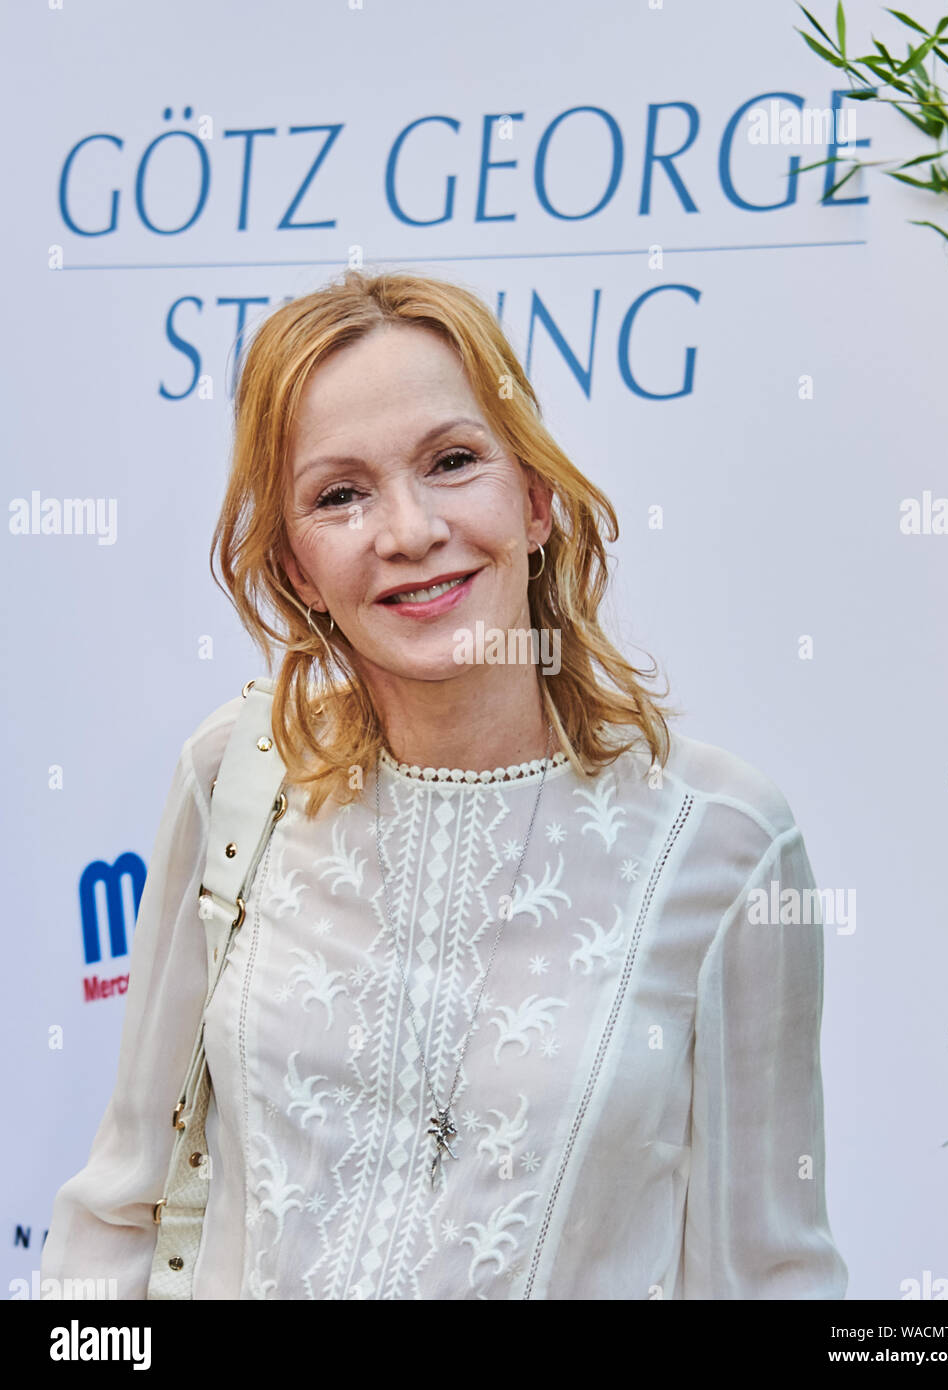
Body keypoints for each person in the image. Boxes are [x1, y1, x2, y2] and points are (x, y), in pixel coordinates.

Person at [41, 269, 848, 1300]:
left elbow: (769, 1273)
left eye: (452, 462)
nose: (408, 530)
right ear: (295, 566)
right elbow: (118, 1212)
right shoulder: (235, 775)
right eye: (340, 494)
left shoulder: (721, 841)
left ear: (537, 495)